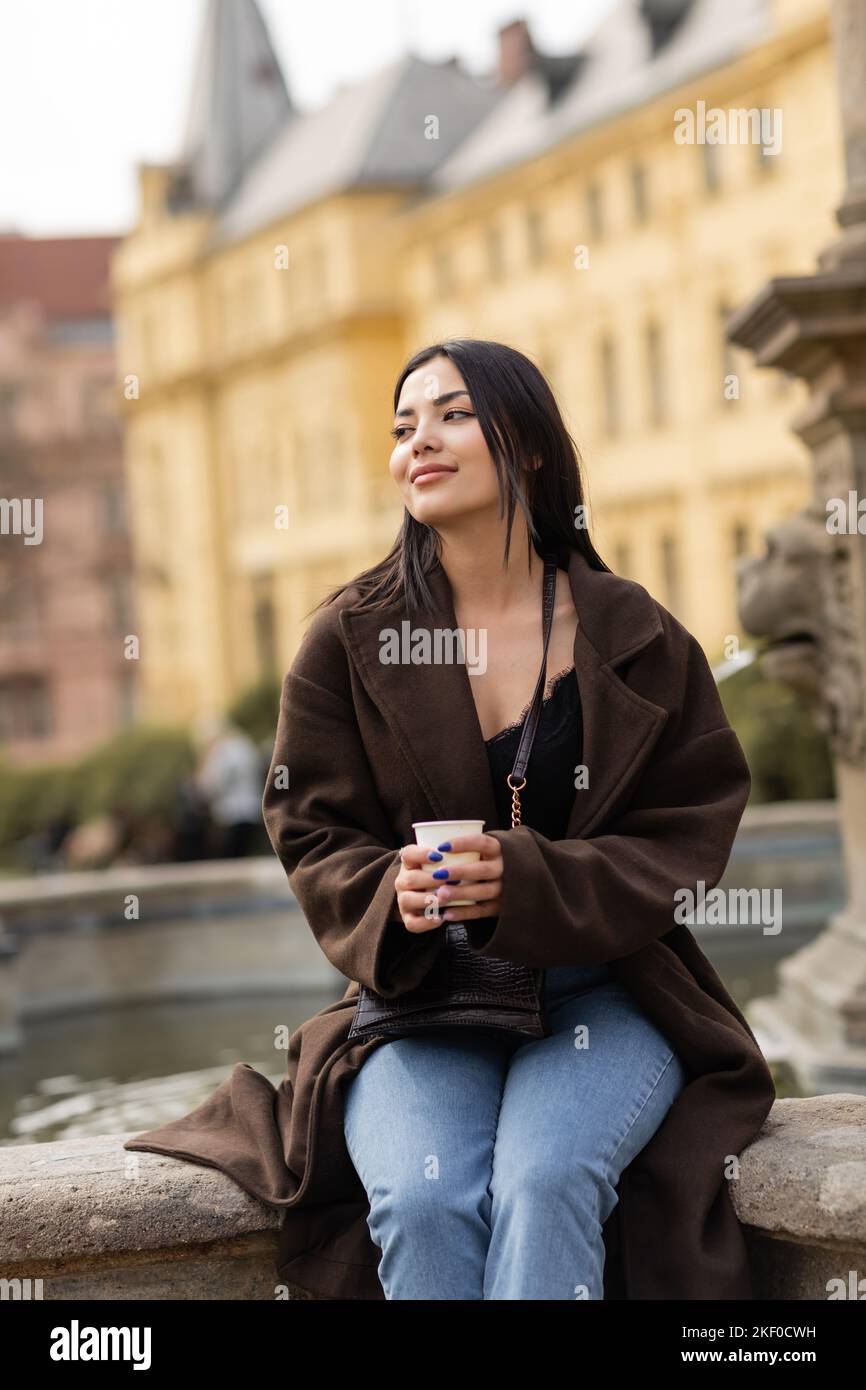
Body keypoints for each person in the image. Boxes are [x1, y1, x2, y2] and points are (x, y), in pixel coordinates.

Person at [124, 338, 776, 1302]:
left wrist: (532, 880)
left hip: (606, 991)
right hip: (422, 1000)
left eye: (450, 415)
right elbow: (309, 826)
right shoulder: (347, 638)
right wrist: (392, 896)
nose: (417, 441)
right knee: (428, 1203)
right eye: (401, 426)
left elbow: (693, 824)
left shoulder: (631, 631)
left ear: (531, 445)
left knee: (546, 1181)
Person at [192, 716, 264, 858]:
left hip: (229, 815)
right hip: (252, 811)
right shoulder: (244, 745)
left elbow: (211, 785)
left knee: (230, 859)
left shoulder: (221, 751)